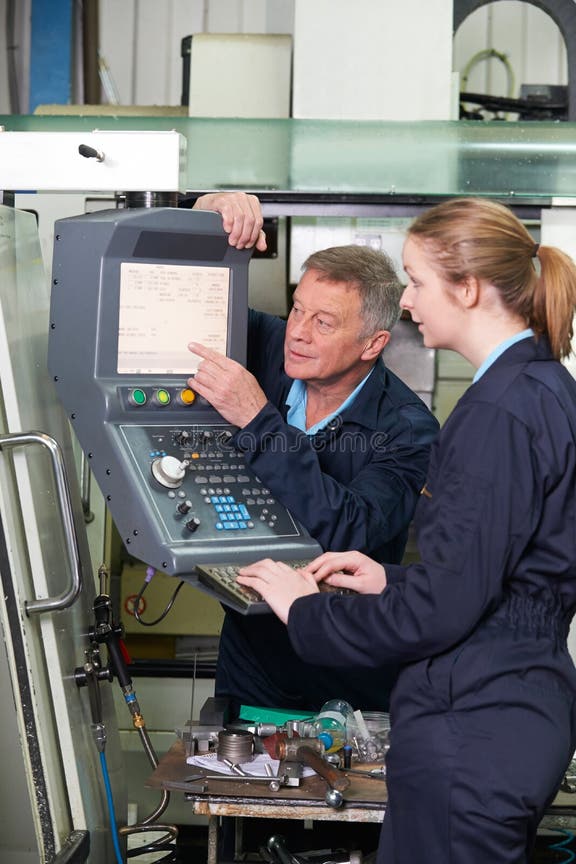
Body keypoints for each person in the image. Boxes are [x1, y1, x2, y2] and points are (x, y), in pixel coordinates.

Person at [236, 197, 576, 864]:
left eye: (418, 281)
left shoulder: (496, 413)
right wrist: (391, 576)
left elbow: (442, 611)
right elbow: (499, 571)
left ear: (469, 288)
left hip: (473, 721)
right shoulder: (542, 388)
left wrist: (306, 611)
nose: (411, 302)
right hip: (516, 702)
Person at [187, 238, 439, 714]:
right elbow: (192, 294)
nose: (296, 333)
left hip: (346, 678)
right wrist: (208, 215)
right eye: (297, 310)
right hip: (251, 662)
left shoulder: (408, 430)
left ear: (373, 343)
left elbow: (349, 529)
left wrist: (258, 420)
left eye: (322, 323)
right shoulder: (268, 345)